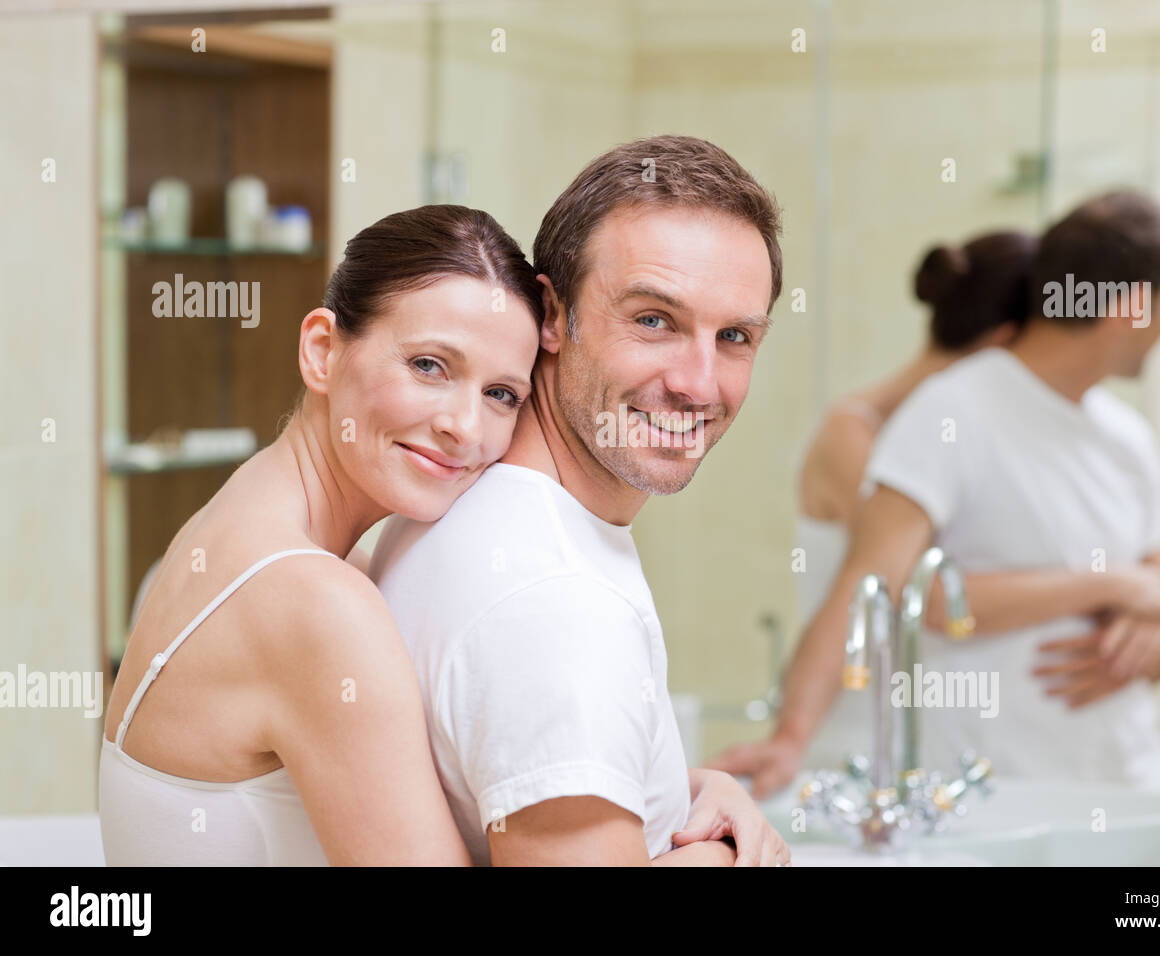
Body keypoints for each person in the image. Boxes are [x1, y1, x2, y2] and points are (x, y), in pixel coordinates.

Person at [101, 203, 762, 866]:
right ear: (322, 351)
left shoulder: (266, 532)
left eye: (502, 394)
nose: (464, 427)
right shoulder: (313, 601)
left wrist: (693, 789)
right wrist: (721, 857)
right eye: (429, 366)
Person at [370, 135, 793, 866]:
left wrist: (681, 793)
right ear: (551, 314)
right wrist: (725, 857)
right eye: (654, 319)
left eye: (733, 336)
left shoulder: (472, 511)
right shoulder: (554, 599)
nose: (698, 382)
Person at [714, 191, 1160, 797]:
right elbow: (872, 589)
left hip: (1131, 785)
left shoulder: (1131, 440)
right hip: (1000, 797)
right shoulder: (951, 413)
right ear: (1131, 308)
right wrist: (790, 737)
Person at [786, 231, 1036, 771]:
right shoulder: (851, 437)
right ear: (1003, 341)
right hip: (858, 746)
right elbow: (938, 592)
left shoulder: (961, 439)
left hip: (933, 746)